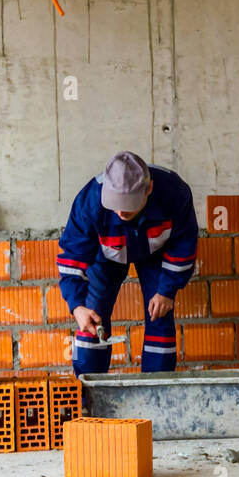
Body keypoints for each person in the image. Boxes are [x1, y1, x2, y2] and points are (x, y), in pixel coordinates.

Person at [56, 151, 198, 374]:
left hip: (156, 251)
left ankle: (156, 394)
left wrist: (166, 291)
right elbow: (72, 257)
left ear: (148, 190)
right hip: (105, 253)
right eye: (115, 204)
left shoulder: (174, 193)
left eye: (129, 204)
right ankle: (89, 395)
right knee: (92, 317)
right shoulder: (89, 200)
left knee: (159, 313)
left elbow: (184, 244)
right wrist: (77, 306)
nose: (121, 211)